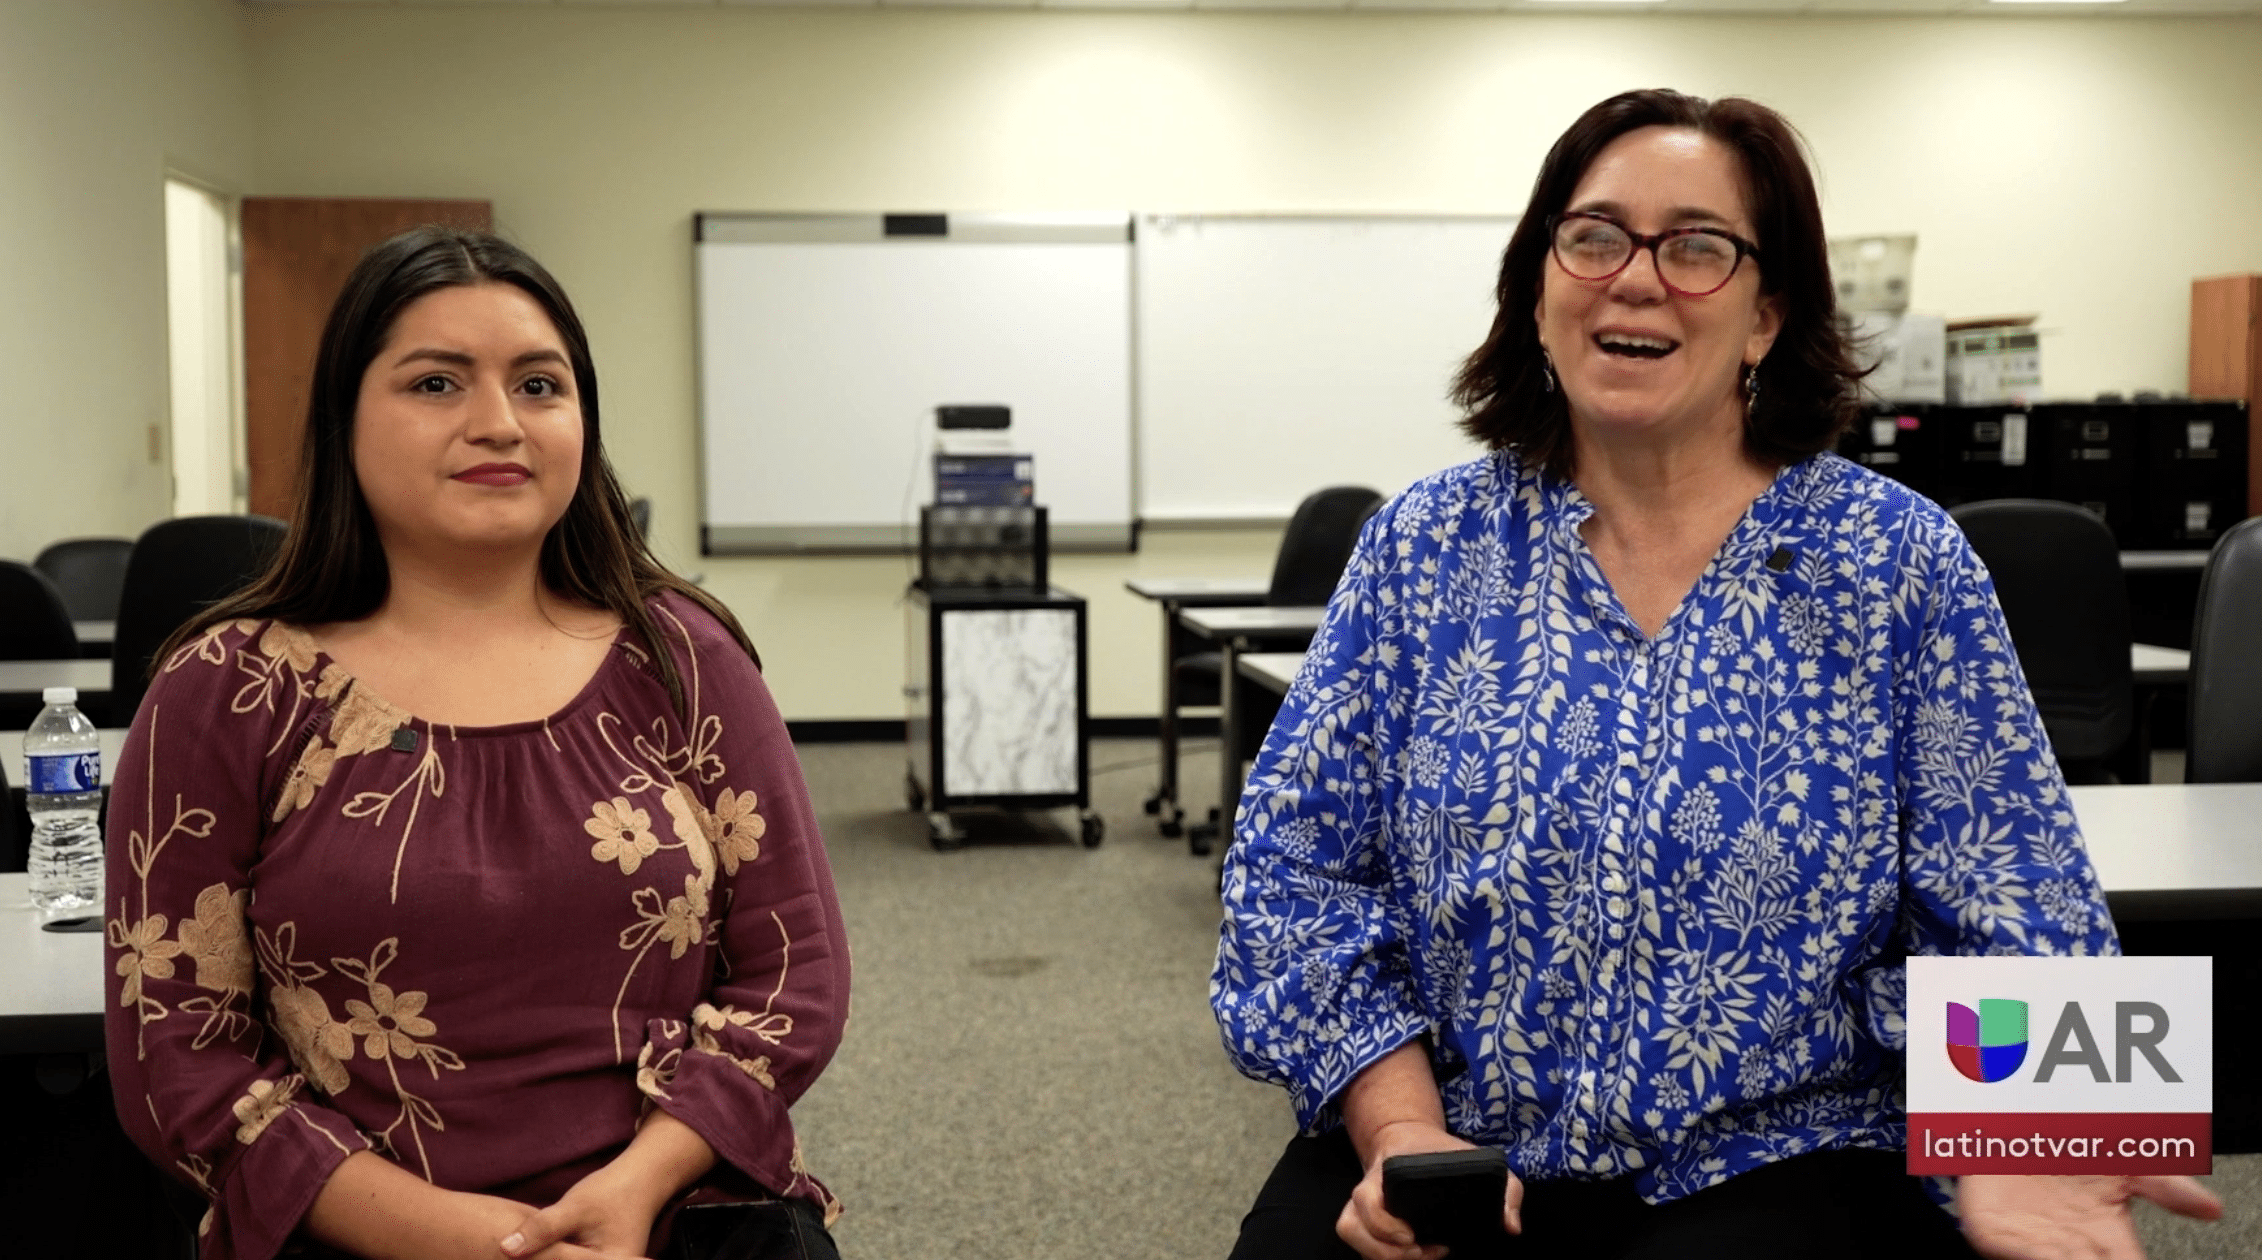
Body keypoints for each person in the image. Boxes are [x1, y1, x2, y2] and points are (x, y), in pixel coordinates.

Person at [1210, 89, 2221, 1260]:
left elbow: (2019, 892)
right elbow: (1294, 876)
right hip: (1453, 1152)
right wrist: (1402, 1131)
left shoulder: (1896, 561)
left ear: (1764, 318)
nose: (1635, 277)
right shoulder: (1422, 551)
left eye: (1697, 247)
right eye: (1594, 237)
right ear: (1538, 293)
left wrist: (2031, 1144)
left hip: (1784, 1158)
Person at [103, 227, 849, 1260]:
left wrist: (632, 1194)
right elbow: (176, 1053)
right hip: (358, 1231)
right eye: (437, 385)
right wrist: (470, 1241)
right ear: (345, 418)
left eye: (540, 385)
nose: (499, 423)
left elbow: (793, 977)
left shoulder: (683, 659)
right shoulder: (228, 690)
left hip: (671, 1215)